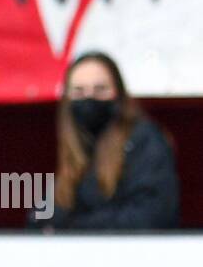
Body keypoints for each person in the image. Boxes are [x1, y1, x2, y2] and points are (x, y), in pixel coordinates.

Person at [41, 51, 179, 229]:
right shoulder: (76, 151)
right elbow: (42, 219)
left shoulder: (144, 141)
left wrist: (76, 228)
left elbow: (151, 215)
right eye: (78, 91)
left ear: (118, 94)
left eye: (100, 89)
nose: (89, 98)